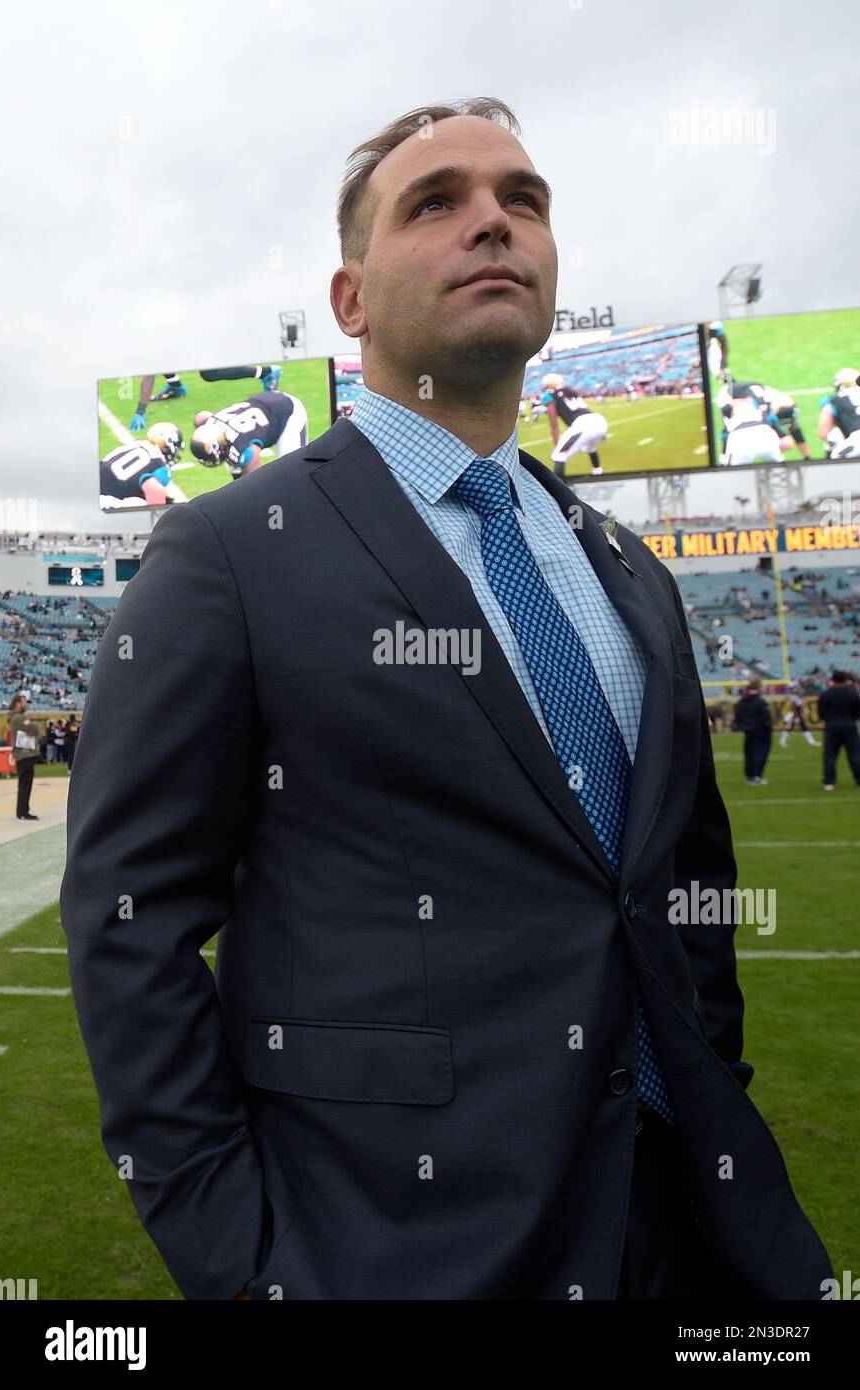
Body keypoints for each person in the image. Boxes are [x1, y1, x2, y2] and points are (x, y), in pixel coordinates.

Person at [59, 97, 832, 1303]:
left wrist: (705, 1078)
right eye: (438, 202)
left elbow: (679, 886)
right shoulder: (230, 551)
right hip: (398, 1242)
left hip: (687, 1225)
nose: (494, 222)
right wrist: (242, 1254)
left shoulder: (626, 566)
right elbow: (128, 922)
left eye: (521, 200)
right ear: (352, 300)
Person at [817, 670, 860, 790]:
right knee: (855, 755)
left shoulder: (826, 694)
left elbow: (821, 713)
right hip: (849, 725)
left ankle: (829, 782)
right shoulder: (852, 693)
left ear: (833, 679)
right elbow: (857, 711)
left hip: (832, 726)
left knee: (830, 756)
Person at [7, 693, 41, 820]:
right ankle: (23, 811)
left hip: (22, 754)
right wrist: (33, 725)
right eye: (24, 702)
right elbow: (34, 729)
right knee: (25, 785)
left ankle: (22, 811)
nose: (25, 704)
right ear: (18, 703)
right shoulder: (18, 718)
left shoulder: (16, 718)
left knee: (24, 784)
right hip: (25, 754)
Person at [734, 680, 773, 784]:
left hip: (749, 731)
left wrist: (743, 726)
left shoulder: (743, 700)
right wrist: (767, 727)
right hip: (761, 731)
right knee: (760, 753)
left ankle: (750, 775)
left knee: (749, 753)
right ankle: (756, 775)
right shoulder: (760, 701)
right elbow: (766, 718)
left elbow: (738, 714)